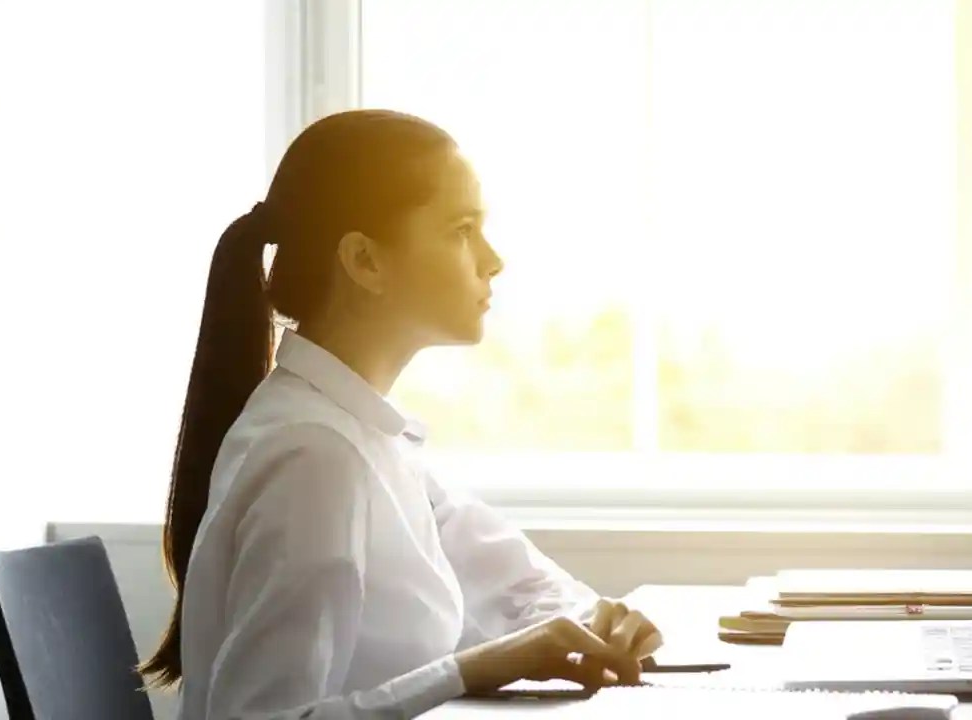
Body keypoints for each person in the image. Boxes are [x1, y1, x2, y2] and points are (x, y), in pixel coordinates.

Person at [140, 109, 662, 719]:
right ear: (365, 261)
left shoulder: (371, 437)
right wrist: (466, 670)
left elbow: (515, 579)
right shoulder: (315, 456)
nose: (492, 260)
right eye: (462, 230)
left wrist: (597, 621)